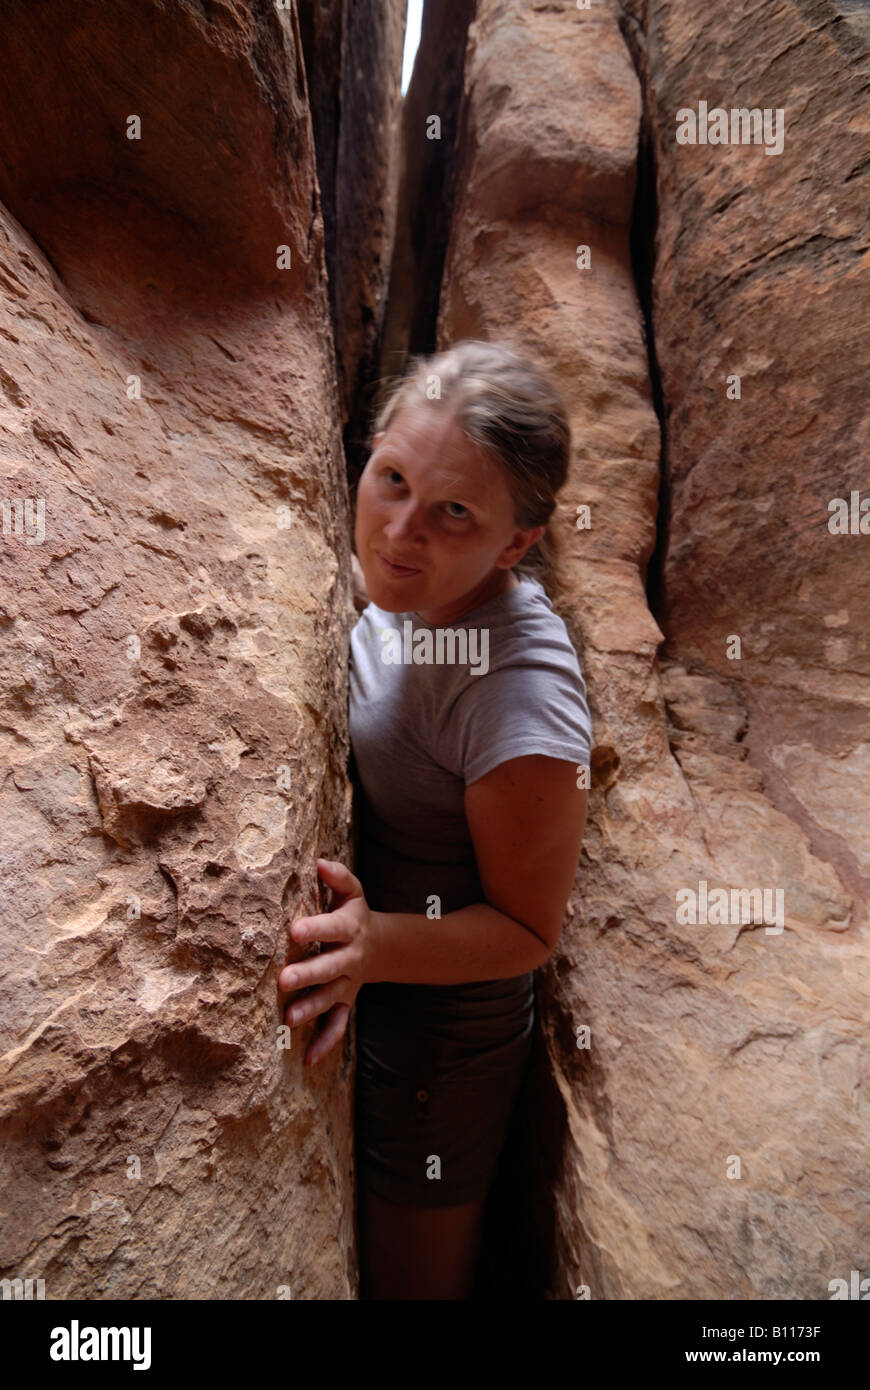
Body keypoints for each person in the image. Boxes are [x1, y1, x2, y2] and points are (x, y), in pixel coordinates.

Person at [277, 339, 592, 1299]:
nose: (401, 531)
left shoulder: (520, 700)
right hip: (372, 983)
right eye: (392, 478)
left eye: (453, 511)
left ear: (513, 544)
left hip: (443, 1043)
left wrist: (371, 949)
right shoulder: (405, 573)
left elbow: (530, 931)